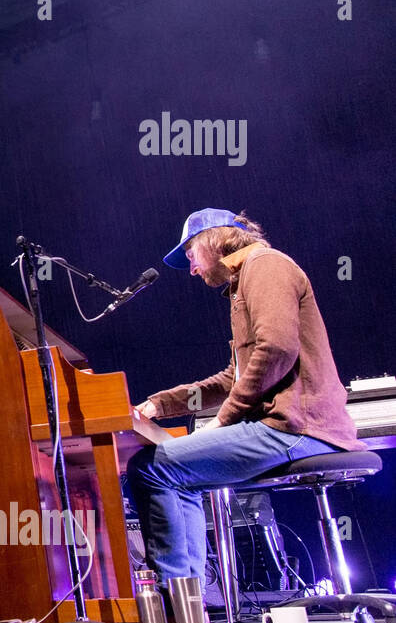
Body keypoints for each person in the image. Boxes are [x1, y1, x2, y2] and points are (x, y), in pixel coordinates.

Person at [128, 209, 363, 584]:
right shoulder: (244, 282)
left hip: (297, 428)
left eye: (190, 256)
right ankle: (189, 603)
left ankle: (175, 597)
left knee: (151, 468)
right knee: (178, 475)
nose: (191, 270)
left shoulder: (264, 265)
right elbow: (231, 378)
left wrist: (224, 420)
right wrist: (161, 404)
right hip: (292, 428)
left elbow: (277, 350)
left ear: (212, 240)